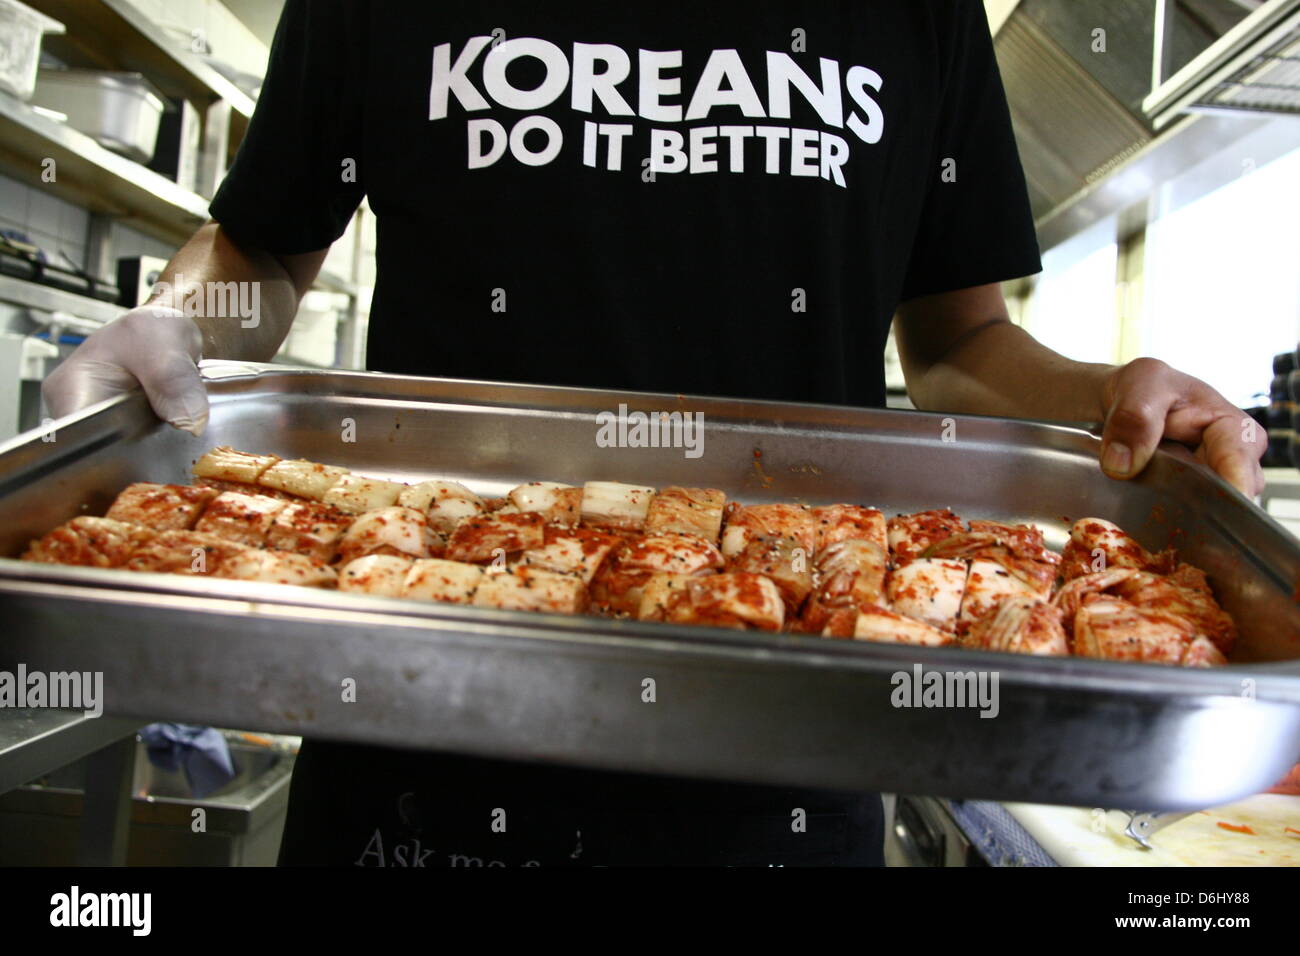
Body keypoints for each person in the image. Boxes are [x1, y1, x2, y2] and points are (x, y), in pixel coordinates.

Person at [43, 1, 1265, 867]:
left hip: (790, 758)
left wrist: (1108, 394)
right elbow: (260, 247)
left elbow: (953, 344)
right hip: (421, 736)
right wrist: (174, 321)